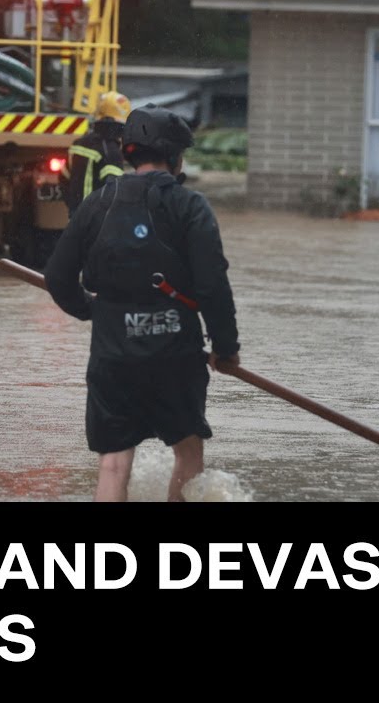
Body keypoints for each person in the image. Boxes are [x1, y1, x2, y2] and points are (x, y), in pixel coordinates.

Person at [44, 104, 240, 502]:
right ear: (175, 156)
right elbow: (212, 285)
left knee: (113, 464)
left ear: (127, 152)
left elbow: (57, 278)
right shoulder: (190, 206)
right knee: (187, 453)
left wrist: (93, 310)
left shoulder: (96, 204)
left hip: (113, 352)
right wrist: (226, 348)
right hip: (175, 353)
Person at [60, 91, 129, 218]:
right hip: (98, 223)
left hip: (76, 219)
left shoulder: (78, 144)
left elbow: (63, 179)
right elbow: (115, 190)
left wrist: (74, 207)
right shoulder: (111, 152)